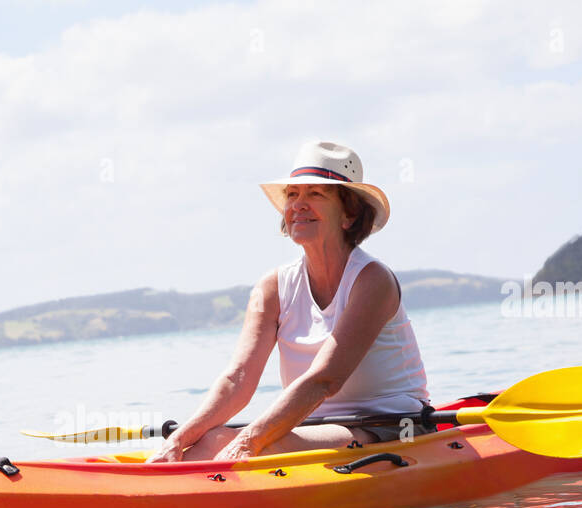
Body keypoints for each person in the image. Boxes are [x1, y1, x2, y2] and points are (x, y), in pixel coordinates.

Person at [148, 141, 431, 463]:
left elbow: (325, 379)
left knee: (261, 448)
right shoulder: (272, 288)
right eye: (293, 194)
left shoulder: (372, 280)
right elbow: (238, 379)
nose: (298, 205)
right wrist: (179, 439)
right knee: (213, 440)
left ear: (349, 214)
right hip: (314, 426)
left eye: (315, 194)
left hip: (392, 426)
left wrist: (249, 441)